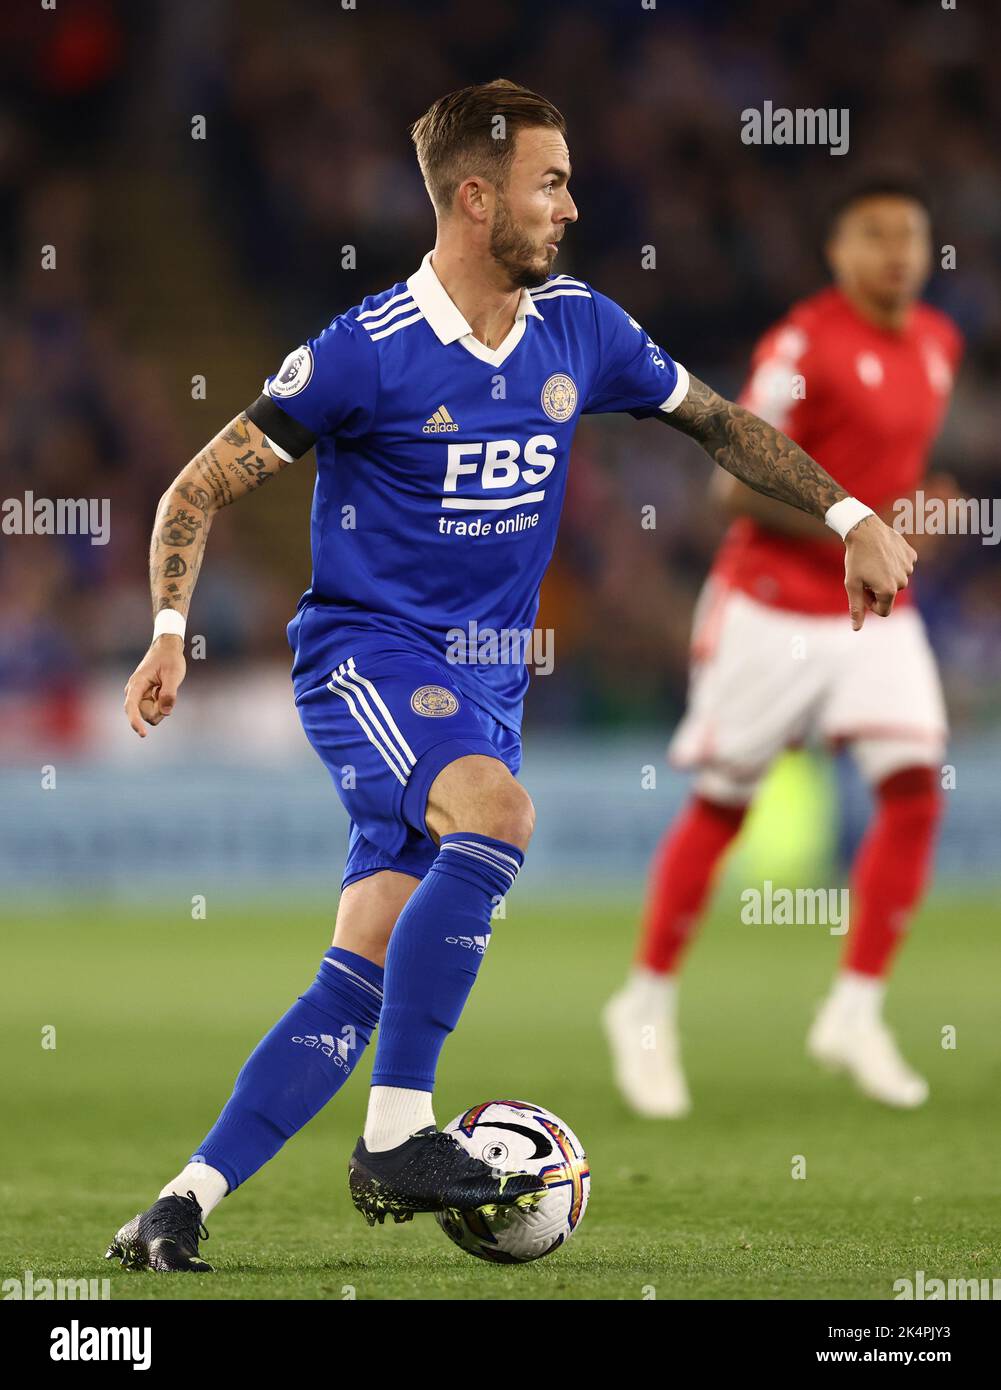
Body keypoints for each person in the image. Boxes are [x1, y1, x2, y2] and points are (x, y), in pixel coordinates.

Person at [110, 84, 915, 1272]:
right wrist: (172, 625)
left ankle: (179, 1203)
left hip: (483, 689)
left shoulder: (578, 327)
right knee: (500, 814)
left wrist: (848, 512)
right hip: (366, 664)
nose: (571, 206)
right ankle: (397, 1131)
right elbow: (197, 486)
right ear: (476, 198)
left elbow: (718, 423)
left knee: (357, 976)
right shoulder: (360, 354)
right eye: (550, 182)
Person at [604, 175, 961, 1118]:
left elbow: (889, 479)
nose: (896, 252)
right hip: (768, 604)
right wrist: (855, 528)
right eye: (874, 235)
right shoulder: (803, 344)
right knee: (724, 803)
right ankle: (642, 1004)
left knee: (915, 789)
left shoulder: (937, 343)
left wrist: (911, 512)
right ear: (835, 253)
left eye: (911, 236)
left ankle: (853, 1008)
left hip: (873, 609)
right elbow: (731, 491)